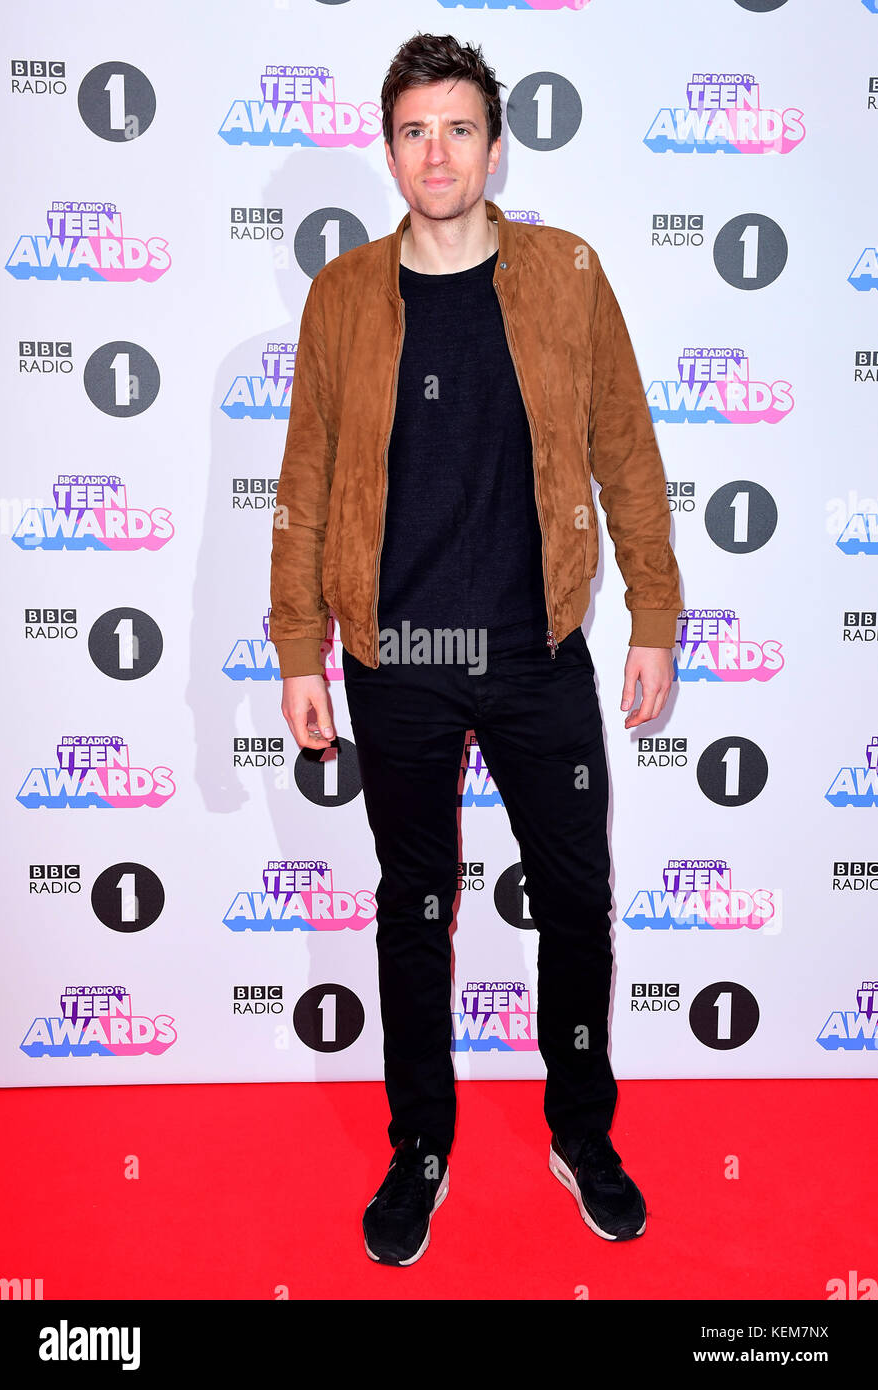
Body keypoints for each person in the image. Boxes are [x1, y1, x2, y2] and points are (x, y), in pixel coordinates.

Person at [270, 32, 682, 1267]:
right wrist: (300, 644)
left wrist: (652, 613)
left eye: (457, 128)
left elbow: (626, 448)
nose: (435, 151)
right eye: (413, 130)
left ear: (495, 146)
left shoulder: (565, 273)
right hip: (394, 658)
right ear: (387, 148)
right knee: (414, 908)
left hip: (533, 648)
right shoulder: (342, 295)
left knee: (576, 901)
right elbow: (304, 475)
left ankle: (581, 1129)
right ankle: (421, 1145)